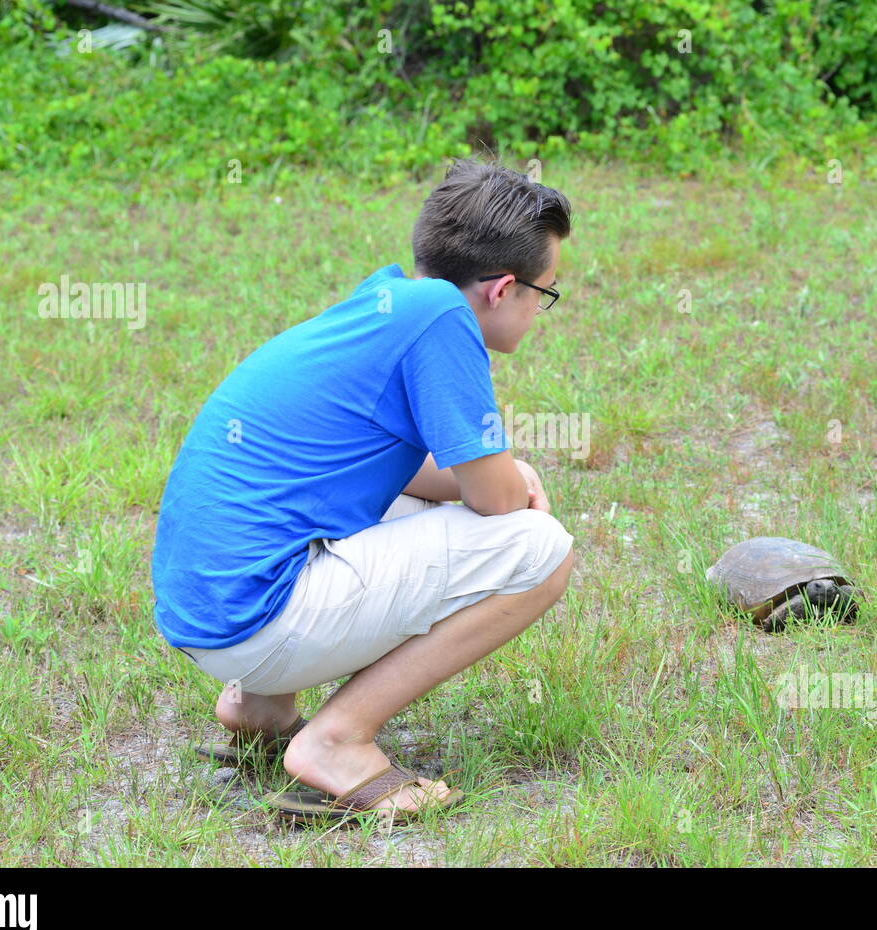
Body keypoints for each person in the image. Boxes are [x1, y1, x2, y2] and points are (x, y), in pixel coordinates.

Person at [150, 157, 575, 822]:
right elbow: (495, 503)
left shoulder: (390, 302)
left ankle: (259, 706)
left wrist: (503, 471)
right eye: (544, 293)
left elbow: (392, 470)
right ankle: (337, 740)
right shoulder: (442, 321)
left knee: (419, 503)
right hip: (255, 617)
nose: (540, 310)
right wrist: (512, 478)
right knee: (541, 550)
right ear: (501, 289)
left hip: (208, 607)